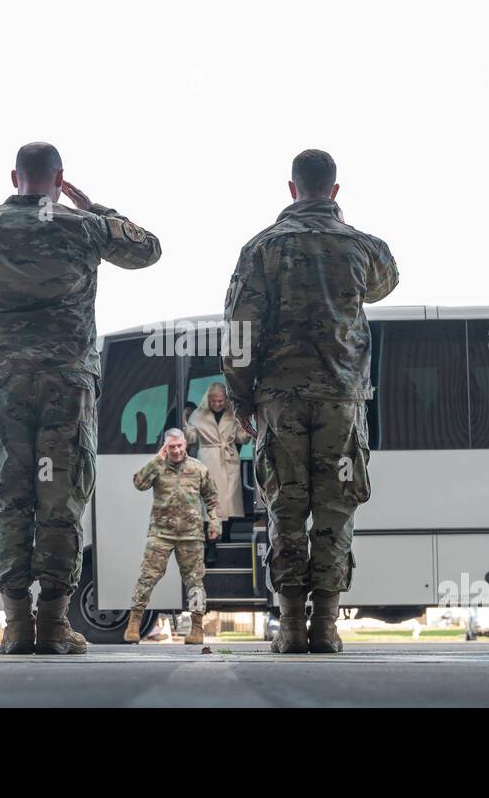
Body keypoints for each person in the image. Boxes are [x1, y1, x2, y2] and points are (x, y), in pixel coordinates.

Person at [0, 142, 162, 655]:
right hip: (68, 385)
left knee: (10, 498)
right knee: (61, 500)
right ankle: (55, 624)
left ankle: (17, 625)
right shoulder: (83, 227)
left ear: (15, 175)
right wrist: (96, 209)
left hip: (6, 386)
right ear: (60, 179)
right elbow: (148, 249)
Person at [222, 149, 399, 654]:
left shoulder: (261, 249)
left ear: (291, 188)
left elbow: (239, 330)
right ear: (335, 191)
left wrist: (240, 397)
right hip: (341, 399)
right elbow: (386, 283)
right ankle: (325, 625)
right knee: (335, 511)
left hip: (279, 400)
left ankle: (292, 627)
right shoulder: (364, 247)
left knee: (286, 508)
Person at [124, 429, 222, 645]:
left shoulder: (198, 468)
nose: (176, 450)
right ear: (165, 447)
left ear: (185, 444)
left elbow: (212, 499)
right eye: (171, 447)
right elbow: (139, 483)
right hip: (161, 534)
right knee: (147, 578)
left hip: (191, 535)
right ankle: (133, 624)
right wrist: (156, 460)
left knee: (195, 581)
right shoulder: (157, 467)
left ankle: (197, 627)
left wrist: (214, 523)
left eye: (179, 446)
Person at [184, 382, 251, 530]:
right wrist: (184, 427)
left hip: (229, 461)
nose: (217, 404)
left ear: (226, 399)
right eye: (214, 401)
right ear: (208, 399)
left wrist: (249, 430)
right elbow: (192, 437)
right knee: (210, 502)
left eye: (220, 400)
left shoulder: (233, 413)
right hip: (209, 459)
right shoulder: (198, 414)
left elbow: (241, 438)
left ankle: (226, 537)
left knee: (230, 505)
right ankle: (212, 545)